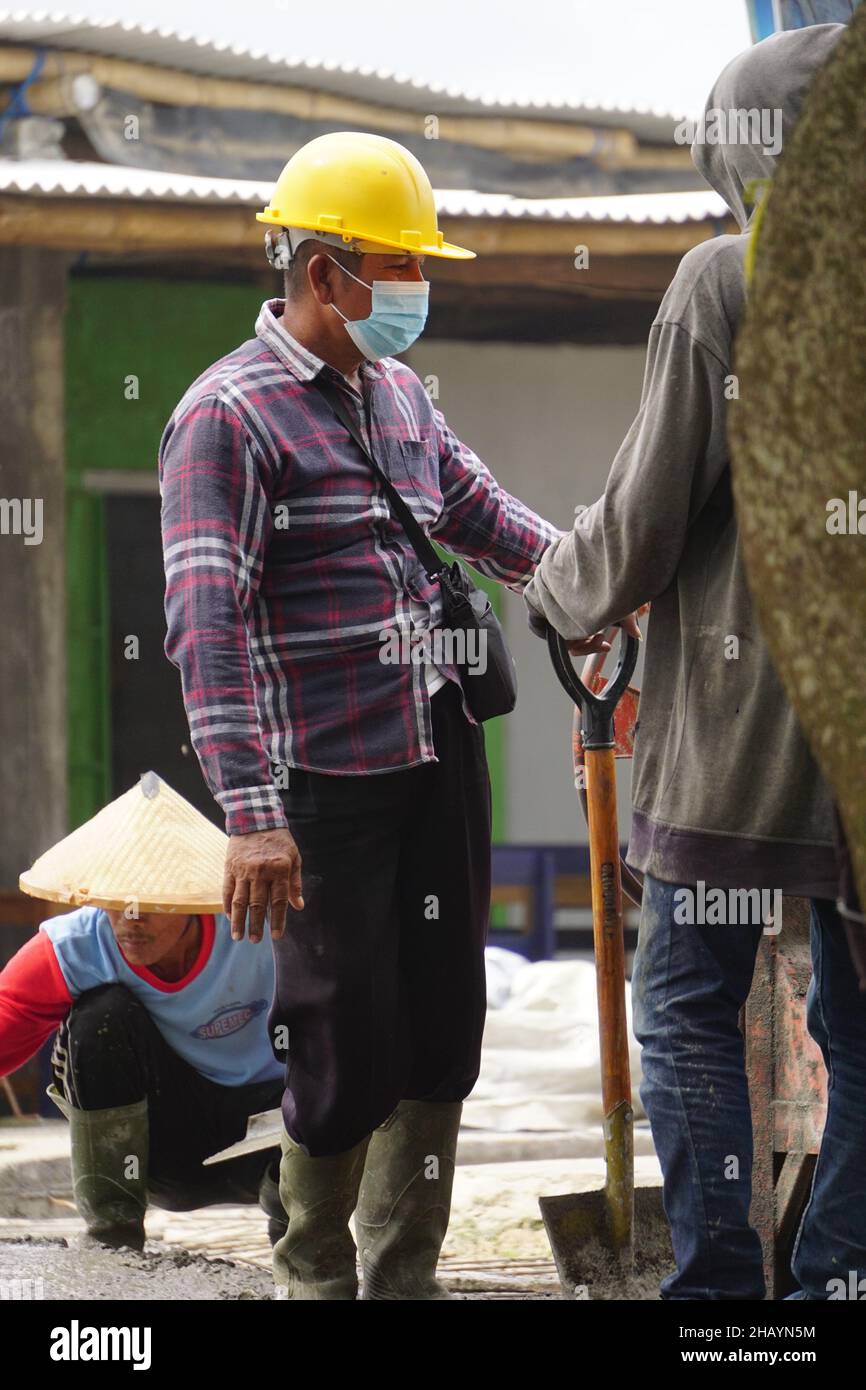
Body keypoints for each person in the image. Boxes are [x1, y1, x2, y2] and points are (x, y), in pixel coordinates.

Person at [158, 130, 581, 1300]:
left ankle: (405, 1278)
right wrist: (250, 815)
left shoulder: (395, 391)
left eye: (416, 264)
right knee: (343, 1039)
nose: (414, 287)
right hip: (320, 786)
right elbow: (207, 628)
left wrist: (594, 583)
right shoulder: (224, 420)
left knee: (443, 1026)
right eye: (395, 264)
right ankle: (313, 1276)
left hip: (435, 750)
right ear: (322, 271)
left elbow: (480, 512)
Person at [524, 25, 862, 1300]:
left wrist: (562, 593)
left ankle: (719, 1288)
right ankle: (836, 1277)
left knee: (683, 1004)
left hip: (743, 745)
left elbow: (642, 519)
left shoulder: (730, 278)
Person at [1, 773, 286, 1250]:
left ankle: (303, 1246)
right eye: (117, 903)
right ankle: (112, 1235)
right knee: (98, 1016)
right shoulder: (76, 946)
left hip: (275, 1145)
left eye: (149, 904)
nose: (129, 923)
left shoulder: (267, 926)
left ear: (189, 896)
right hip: (162, 1151)